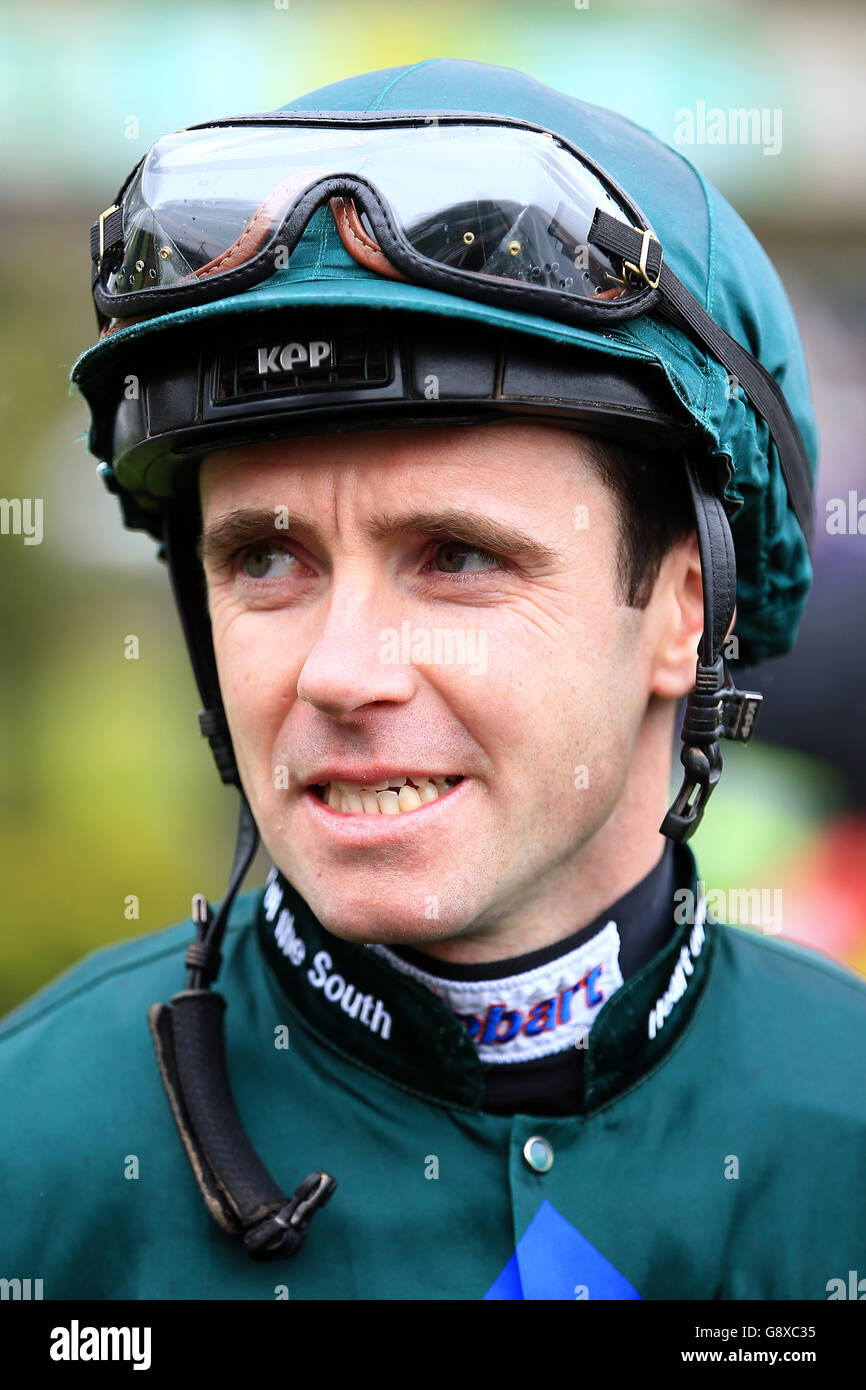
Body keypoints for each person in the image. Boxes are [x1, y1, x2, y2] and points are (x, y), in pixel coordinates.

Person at [1, 57, 864, 1302]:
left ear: (684, 608)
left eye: (455, 557)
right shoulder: (34, 1159)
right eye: (266, 557)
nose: (339, 674)